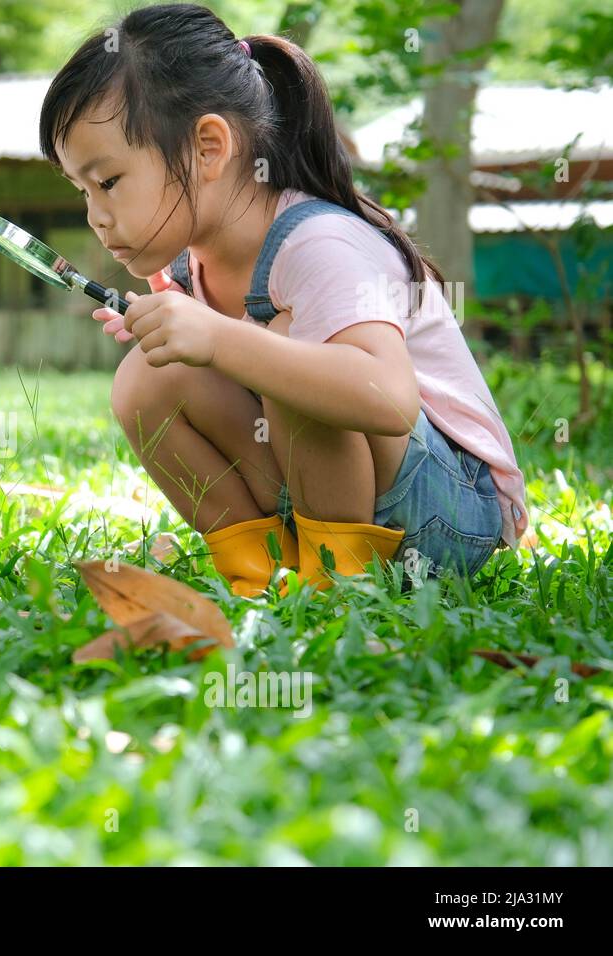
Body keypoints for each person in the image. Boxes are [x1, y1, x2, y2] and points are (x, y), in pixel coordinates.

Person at [38, 3, 527, 595]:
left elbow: (390, 399)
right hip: (336, 495)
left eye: (109, 182)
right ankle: (256, 569)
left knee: (288, 342)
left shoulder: (318, 241)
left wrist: (220, 337)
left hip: (447, 514)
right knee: (147, 376)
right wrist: (178, 336)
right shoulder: (185, 262)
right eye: (82, 190)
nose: (95, 216)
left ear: (209, 147)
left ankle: (338, 579)